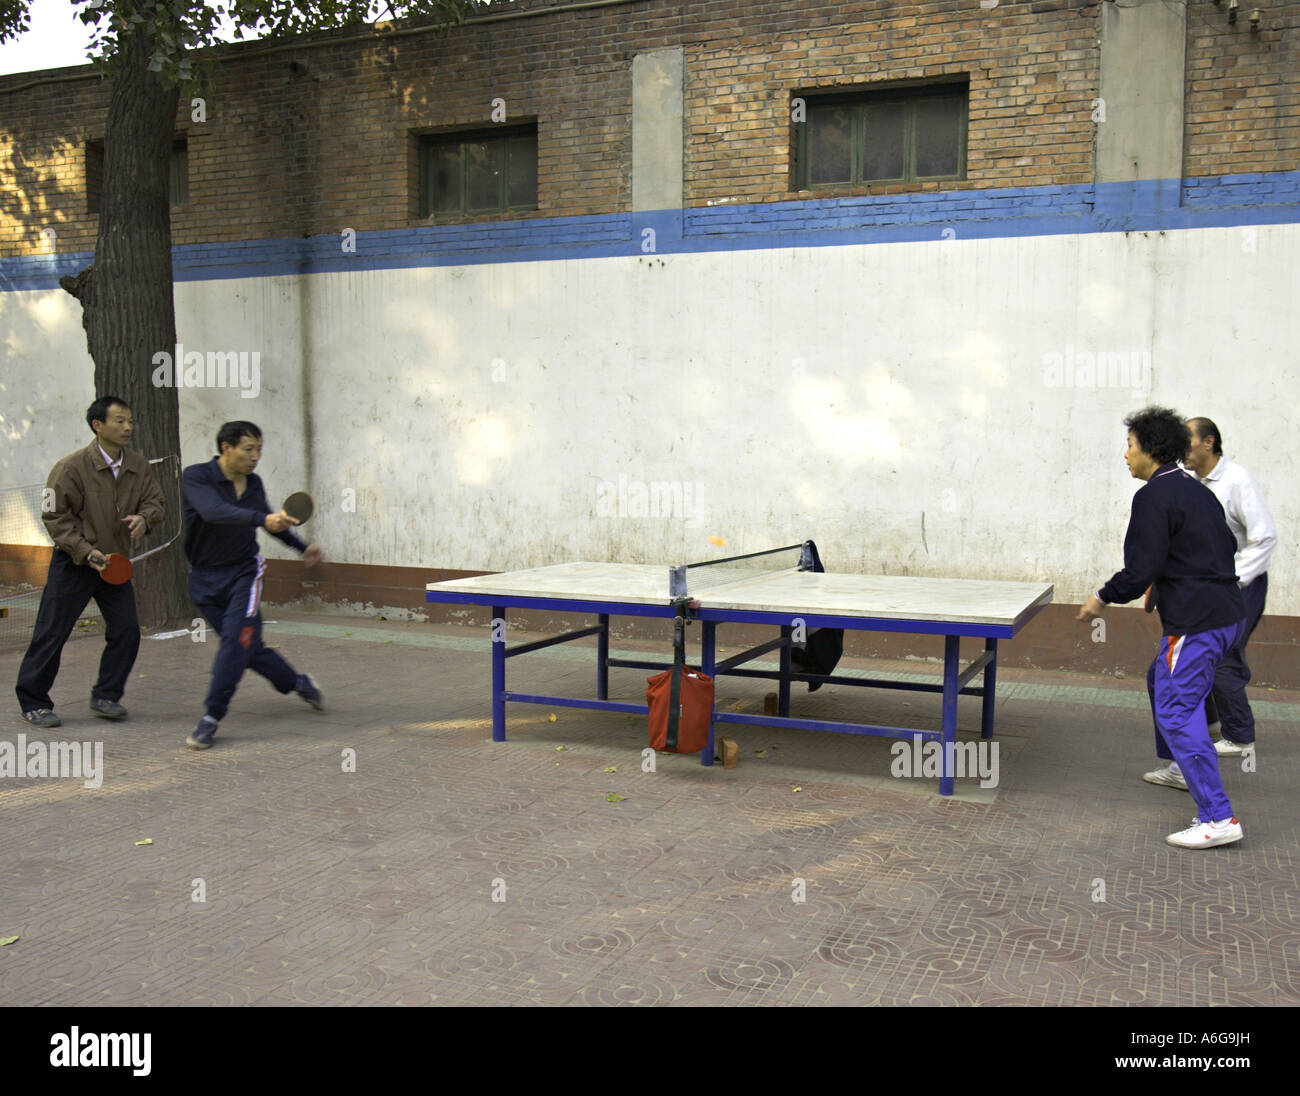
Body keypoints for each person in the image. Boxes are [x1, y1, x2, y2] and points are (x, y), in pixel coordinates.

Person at [1076, 407, 1247, 849]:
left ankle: (1218, 816)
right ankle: (1177, 765)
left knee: (1176, 711)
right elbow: (1221, 546)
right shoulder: (1196, 490)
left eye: (1130, 445)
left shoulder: (1153, 496)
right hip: (1227, 614)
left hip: (1197, 623)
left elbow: (1139, 570)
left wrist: (1102, 597)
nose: (1125, 454)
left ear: (1150, 449)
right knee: (1160, 679)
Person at [15, 396, 165, 727]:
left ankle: (106, 696)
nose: (128, 427)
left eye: (130, 421)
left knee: (126, 630)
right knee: (52, 632)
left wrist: (145, 518)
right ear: (98, 426)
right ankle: (34, 701)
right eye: (120, 421)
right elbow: (54, 516)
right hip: (75, 563)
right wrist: (85, 551)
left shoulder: (138, 465)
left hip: (115, 565)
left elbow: (156, 501)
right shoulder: (69, 468)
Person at [181, 421, 325, 750]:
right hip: (203, 579)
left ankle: (211, 718)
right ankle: (298, 683)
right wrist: (262, 519)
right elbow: (213, 511)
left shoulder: (253, 483)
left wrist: (302, 547)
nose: (255, 456)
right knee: (247, 647)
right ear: (226, 448)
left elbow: (271, 521)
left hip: (244, 575)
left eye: (259, 449)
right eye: (249, 449)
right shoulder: (197, 477)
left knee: (235, 642)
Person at [1183, 417, 1275, 757]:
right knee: (1201, 651)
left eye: (1187, 441)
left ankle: (1239, 735)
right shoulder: (1193, 484)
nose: (1182, 451)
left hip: (1241, 586)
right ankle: (1209, 719)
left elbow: (1264, 536)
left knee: (1224, 654)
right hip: (1209, 588)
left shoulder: (1237, 481)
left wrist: (1233, 580)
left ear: (1208, 442)